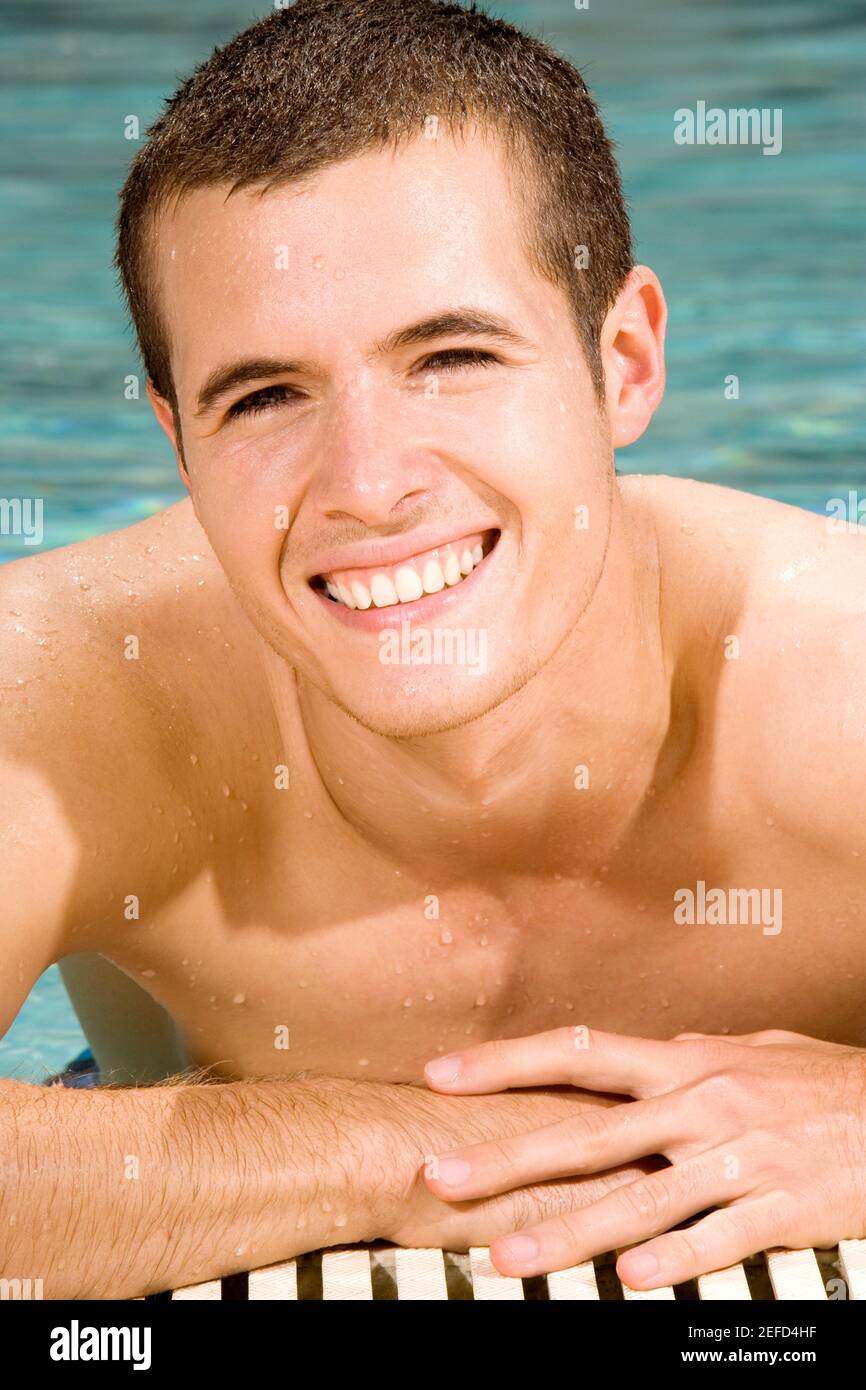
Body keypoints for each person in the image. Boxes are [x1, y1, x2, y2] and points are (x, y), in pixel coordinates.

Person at [2, 0, 864, 1299]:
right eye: (266, 395)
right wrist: (411, 1147)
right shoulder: (63, 688)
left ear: (622, 362)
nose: (367, 484)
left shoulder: (834, 681)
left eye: (452, 355)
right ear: (178, 448)